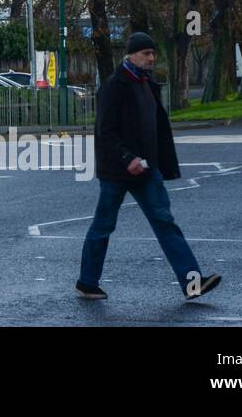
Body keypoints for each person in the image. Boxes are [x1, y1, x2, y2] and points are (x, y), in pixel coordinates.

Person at [75, 32, 221, 301]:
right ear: (130, 55)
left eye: (153, 54)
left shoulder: (146, 83)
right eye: (146, 53)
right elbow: (104, 132)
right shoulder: (114, 86)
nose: (151, 58)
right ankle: (87, 282)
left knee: (165, 223)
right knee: (103, 226)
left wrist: (155, 162)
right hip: (117, 172)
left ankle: (192, 283)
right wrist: (127, 158)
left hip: (147, 170)